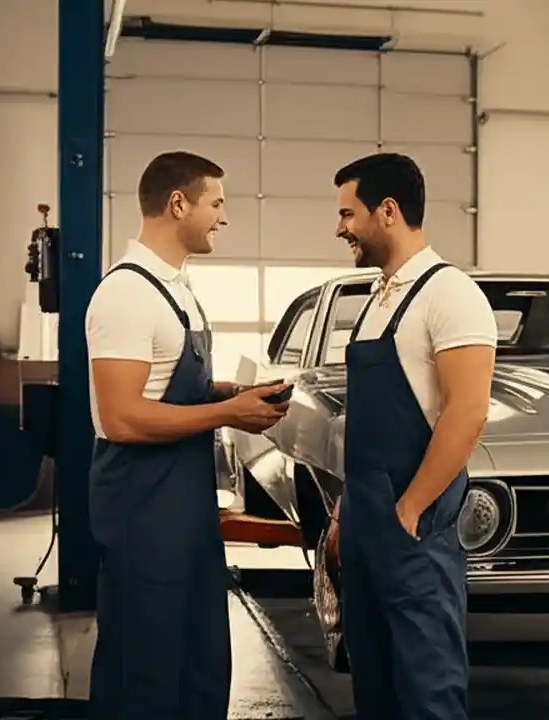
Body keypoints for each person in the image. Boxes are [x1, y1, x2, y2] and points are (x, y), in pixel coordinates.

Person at [84, 150, 291, 719]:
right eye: (216, 203)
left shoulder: (176, 288)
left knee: (197, 659)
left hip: (185, 510)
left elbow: (166, 385)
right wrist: (227, 415)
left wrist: (230, 392)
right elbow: (124, 416)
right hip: (141, 508)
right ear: (179, 204)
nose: (224, 218)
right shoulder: (127, 293)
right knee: (144, 668)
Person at [325, 152, 497, 720]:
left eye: (350, 213)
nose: (341, 226)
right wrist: (344, 514)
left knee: (428, 687)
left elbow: (467, 412)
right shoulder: (379, 297)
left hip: (412, 527)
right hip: (366, 522)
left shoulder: (450, 295)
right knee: (373, 680)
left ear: (389, 211)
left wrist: (411, 507)